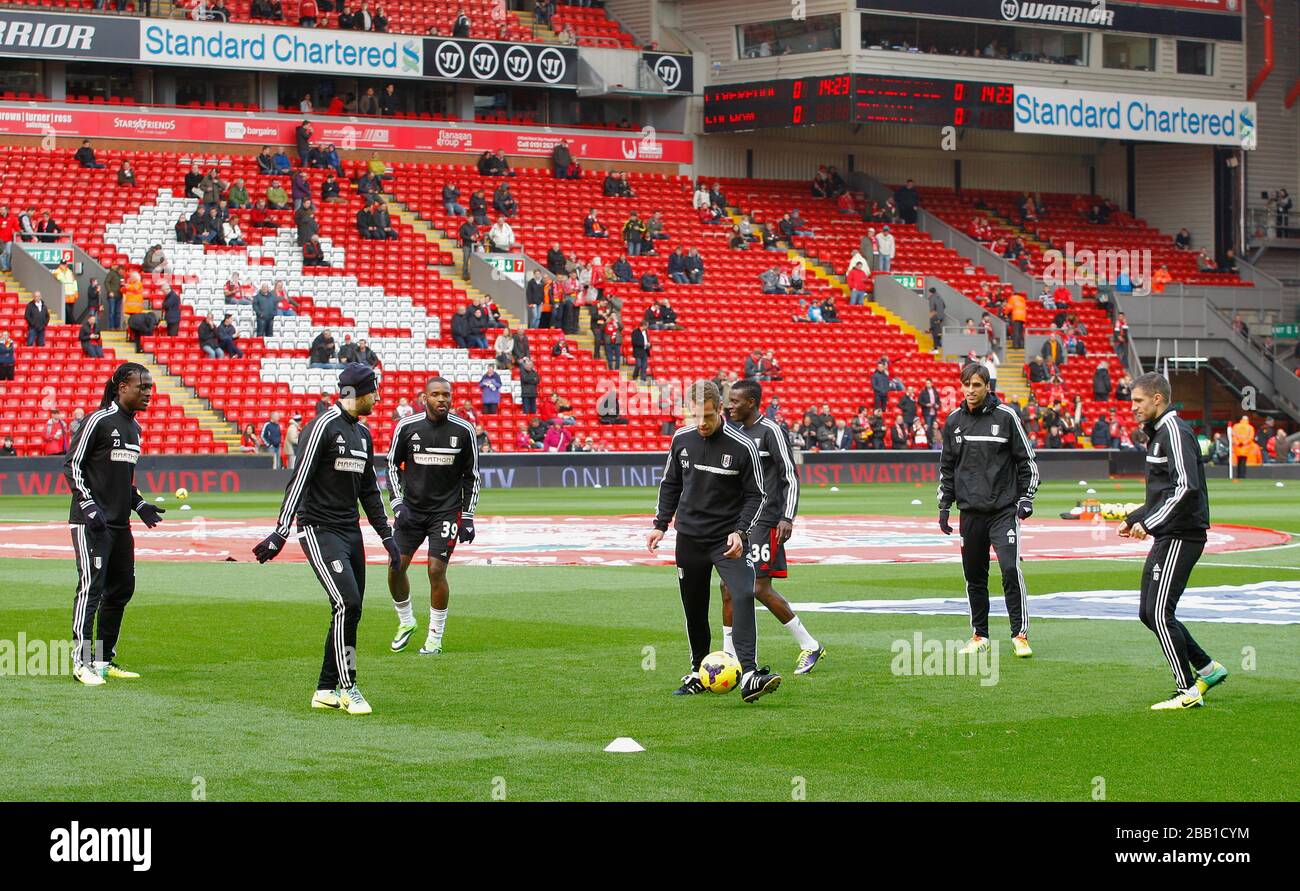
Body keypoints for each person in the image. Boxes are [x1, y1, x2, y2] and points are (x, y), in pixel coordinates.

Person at [253, 364, 400, 715]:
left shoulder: (363, 435)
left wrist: (387, 537)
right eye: (373, 391)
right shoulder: (320, 428)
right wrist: (280, 532)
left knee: (352, 610)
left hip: (350, 532)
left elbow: (369, 491)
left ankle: (324, 689)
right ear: (357, 393)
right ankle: (349, 687)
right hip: (318, 529)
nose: (378, 398)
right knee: (347, 602)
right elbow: (299, 480)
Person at [649, 380, 779, 701]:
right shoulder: (681, 439)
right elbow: (670, 485)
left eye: (708, 415)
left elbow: (756, 494)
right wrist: (660, 524)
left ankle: (749, 672)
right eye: (696, 417)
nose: (702, 423)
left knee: (743, 593)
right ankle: (697, 671)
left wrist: (741, 531)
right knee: (694, 606)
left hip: (727, 540)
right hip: (689, 539)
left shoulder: (742, 446)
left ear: (720, 409)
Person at [1118, 372, 1227, 710]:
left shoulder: (1174, 432)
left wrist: (1148, 523)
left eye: (1138, 401)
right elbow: (1163, 493)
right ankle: (1207, 669)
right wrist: (1135, 518)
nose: (1133, 407)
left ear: (1157, 400)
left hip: (1183, 534)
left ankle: (1187, 691)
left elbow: (1185, 488)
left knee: (1160, 612)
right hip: (1170, 533)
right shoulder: (1159, 433)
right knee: (1148, 613)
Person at [63, 362, 164, 686]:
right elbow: (73, 465)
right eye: (142, 387)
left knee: (121, 590)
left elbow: (124, 482)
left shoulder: (135, 429)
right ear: (122, 387)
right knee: (92, 589)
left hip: (120, 525)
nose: (148, 393)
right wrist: (89, 506)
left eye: (150, 388)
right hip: (91, 523)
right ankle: (81, 662)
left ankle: (104, 661)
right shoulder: (99, 421)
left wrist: (140, 503)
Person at [717, 379, 824, 673]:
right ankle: (730, 656)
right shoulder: (734, 433)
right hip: (741, 522)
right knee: (727, 586)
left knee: (758, 587)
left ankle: (809, 645)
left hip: (766, 520)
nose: (730, 406)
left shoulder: (771, 431)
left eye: (735, 401)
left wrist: (787, 517)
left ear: (751, 402)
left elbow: (790, 475)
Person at [938, 362, 1038, 658]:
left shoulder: (1007, 417)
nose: (970, 390)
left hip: (1002, 511)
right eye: (966, 384)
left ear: (988, 387)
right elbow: (947, 466)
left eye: (977, 385)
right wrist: (944, 504)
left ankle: (1019, 634)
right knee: (974, 576)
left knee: (1009, 568)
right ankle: (979, 634)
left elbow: (1027, 462)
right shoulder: (953, 421)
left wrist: (1026, 498)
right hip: (970, 513)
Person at [385, 377, 481, 656]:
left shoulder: (464, 430)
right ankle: (406, 622)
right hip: (411, 512)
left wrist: (468, 516)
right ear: (424, 398)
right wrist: (397, 503)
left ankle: (435, 638)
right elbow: (391, 465)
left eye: (447, 395)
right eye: (436, 394)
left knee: (436, 571)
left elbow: (471, 476)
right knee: (395, 567)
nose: (442, 399)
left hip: (446, 512)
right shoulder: (407, 427)